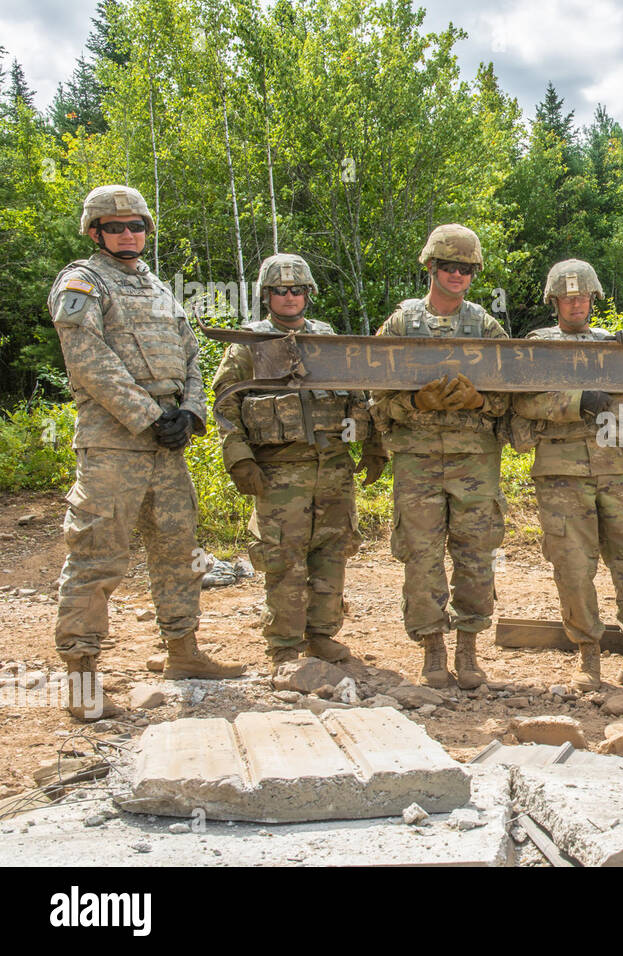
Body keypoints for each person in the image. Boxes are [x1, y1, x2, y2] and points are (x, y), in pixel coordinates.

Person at [48, 185, 244, 720]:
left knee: (178, 553)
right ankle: (82, 683)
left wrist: (192, 413)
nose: (129, 236)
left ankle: (183, 653)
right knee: (96, 556)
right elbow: (88, 359)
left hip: (166, 446)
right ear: (95, 232)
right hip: (113, 443)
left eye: (136, 227)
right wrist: (149, 416)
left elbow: (190, 355)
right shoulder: (83, 281)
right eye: (116, 228)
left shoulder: (158, 288)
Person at [510, 259, 623, 693]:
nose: (576, 304)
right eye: (568, 297)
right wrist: (578, 400)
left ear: (594, 300)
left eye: (583, 296)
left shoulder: (614, 342)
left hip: (615, 467)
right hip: (560, 471)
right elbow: (522, 402)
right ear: (554, 302)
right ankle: (588, 658)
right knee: (573, 567)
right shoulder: (538, 345)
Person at [213, 253, 385, 666]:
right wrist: (239, 457)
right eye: (279, 291)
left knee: (333, 550)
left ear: (308, 294)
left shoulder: (327, 340)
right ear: (266, 296)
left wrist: (374, 444)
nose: (288, 298)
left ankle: (322, 634)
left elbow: (359, 393)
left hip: (334, 467)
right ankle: (285, 644)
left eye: (296, 290)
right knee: (283, 556)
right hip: (279, 471)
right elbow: (225, 403)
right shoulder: (249, 345)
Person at [369, 224, 509, 689]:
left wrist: (479, 402)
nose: (457, 275)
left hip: (474, 459)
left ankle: (468, 648)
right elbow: (377, 397)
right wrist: (415, 404)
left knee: (475, 554)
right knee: (421, 555)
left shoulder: (487, 327)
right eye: (448, 266)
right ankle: (432, 649)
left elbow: (511, 396)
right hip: (418, 458)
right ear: (430, 267)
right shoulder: (401, 324)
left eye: (466, 269)